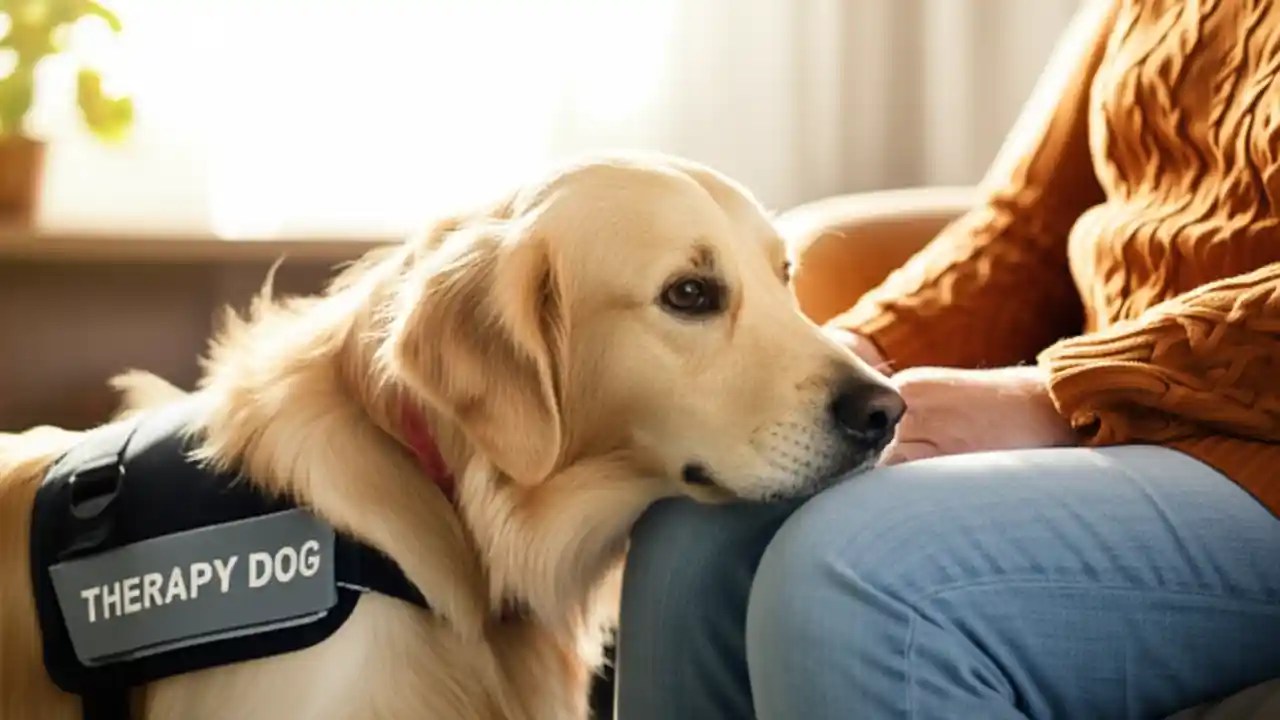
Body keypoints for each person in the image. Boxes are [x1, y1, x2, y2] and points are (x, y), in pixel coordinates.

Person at [613, 1, 1280, 718]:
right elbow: (1023, 230)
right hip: (1124, 429)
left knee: (861, 572)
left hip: (1246, 450)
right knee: (698, 525)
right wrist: (846, 355)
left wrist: (1058, 397)